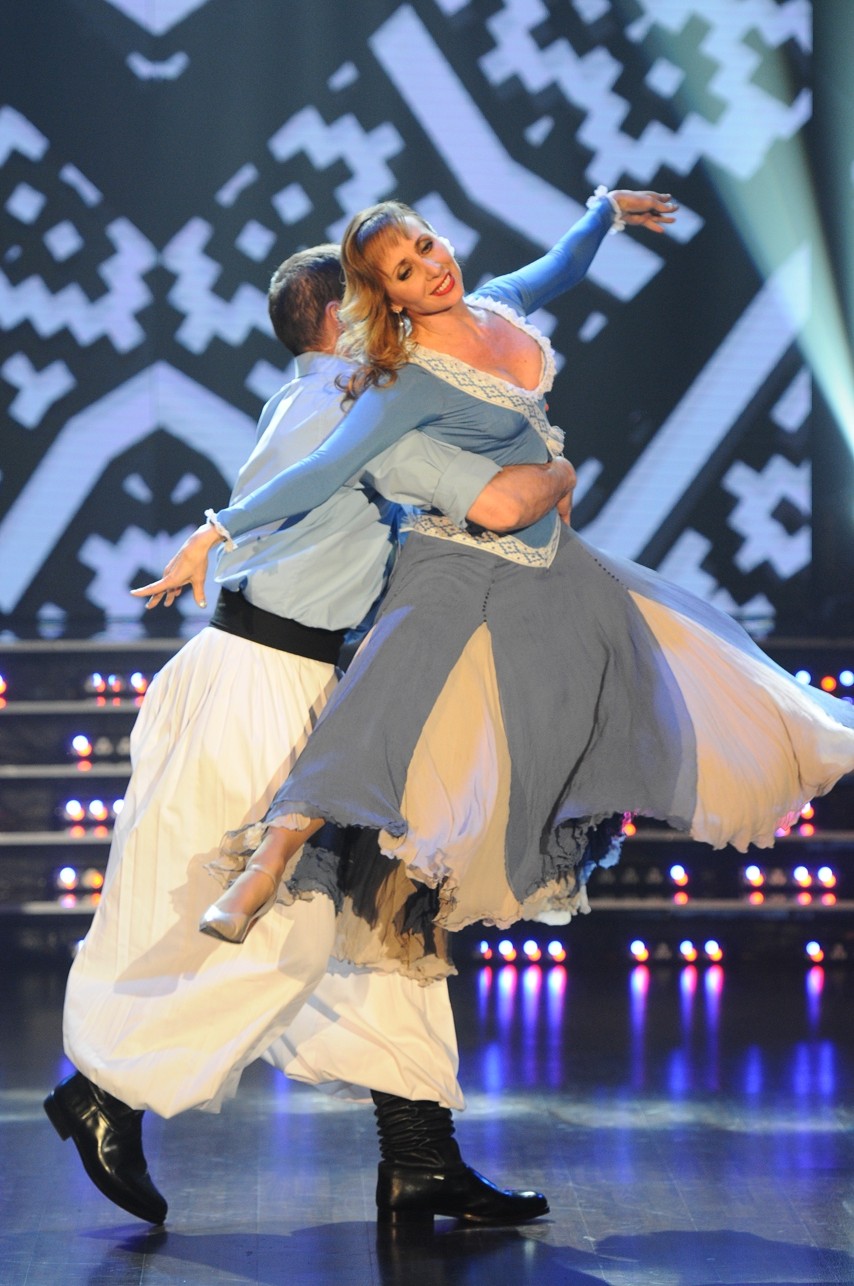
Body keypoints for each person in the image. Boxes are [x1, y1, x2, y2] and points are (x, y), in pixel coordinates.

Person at [144, 190, 854, 959]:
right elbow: (322, 469)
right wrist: (216, 530)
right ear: (392, 299)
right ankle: (267, 864)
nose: (430, 270)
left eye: (425, 246)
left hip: (551, 561)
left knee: (679, 664)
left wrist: (604, 214)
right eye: (406, 272)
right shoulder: (405, 380)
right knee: (385, 695)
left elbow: (559, 268)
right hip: (455, 561)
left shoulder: (499, 307)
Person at [44, 244, 580, 1228]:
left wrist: (593, 224)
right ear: (341, 320)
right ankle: (106, 1092)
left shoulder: (315, 389)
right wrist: (556, 470)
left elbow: (505, 297)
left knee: (388, 922)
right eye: (383, 298)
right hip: (265, 684)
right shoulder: (352, 402)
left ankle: (419, 1155)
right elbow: (501, 500)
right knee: (284, 933)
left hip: (317, 686)